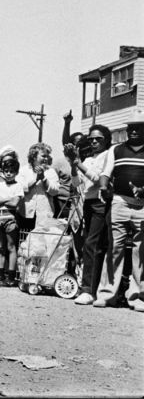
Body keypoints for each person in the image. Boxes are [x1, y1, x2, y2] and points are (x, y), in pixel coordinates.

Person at [94, 109, 144, 312]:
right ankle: (107, 295)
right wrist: (104, 186)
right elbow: (106, 173)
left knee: (140, 251)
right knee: (114, 247)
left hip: (142, 206)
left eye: (138, 128)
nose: (133, 132)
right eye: (130, 128)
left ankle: (137, 296)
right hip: (119, 202)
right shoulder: (116, 149)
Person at [68, 124, 112, 305]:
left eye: (98, 139)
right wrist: (74, 165)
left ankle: (89, 290)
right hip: (88, 202)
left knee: (93, 245)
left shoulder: (109, 155)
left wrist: (79, 165)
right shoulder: (86, 159)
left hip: (101, 203)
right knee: (90, 244)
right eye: (91, 138)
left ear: (106, 140)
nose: (94, 142)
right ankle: (90, 288)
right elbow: (77, 183)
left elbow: (99, 178)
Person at [0, 156, 23, 286]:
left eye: (11, 171)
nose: (8, 173)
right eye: (6, 171)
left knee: (11, 247)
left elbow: (15, 203)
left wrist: (2, 199)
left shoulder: (18, 186)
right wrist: (7, 199)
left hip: (10, 218)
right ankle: (0, 275)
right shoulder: (0, 185)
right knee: (0, 247)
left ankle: (11, 276)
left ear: (16, 173)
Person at [18, 143, 60, 231]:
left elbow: (55, 191)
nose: (46, 159)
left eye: (47, 156)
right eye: (43, 156)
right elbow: (20, 189)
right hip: (25, 213)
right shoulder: (23, 170)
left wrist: (44, 178)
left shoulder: (51, 171)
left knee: (41, 242)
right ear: (34, 156)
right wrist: (36, 179)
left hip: (44, 214)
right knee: (24, 242)